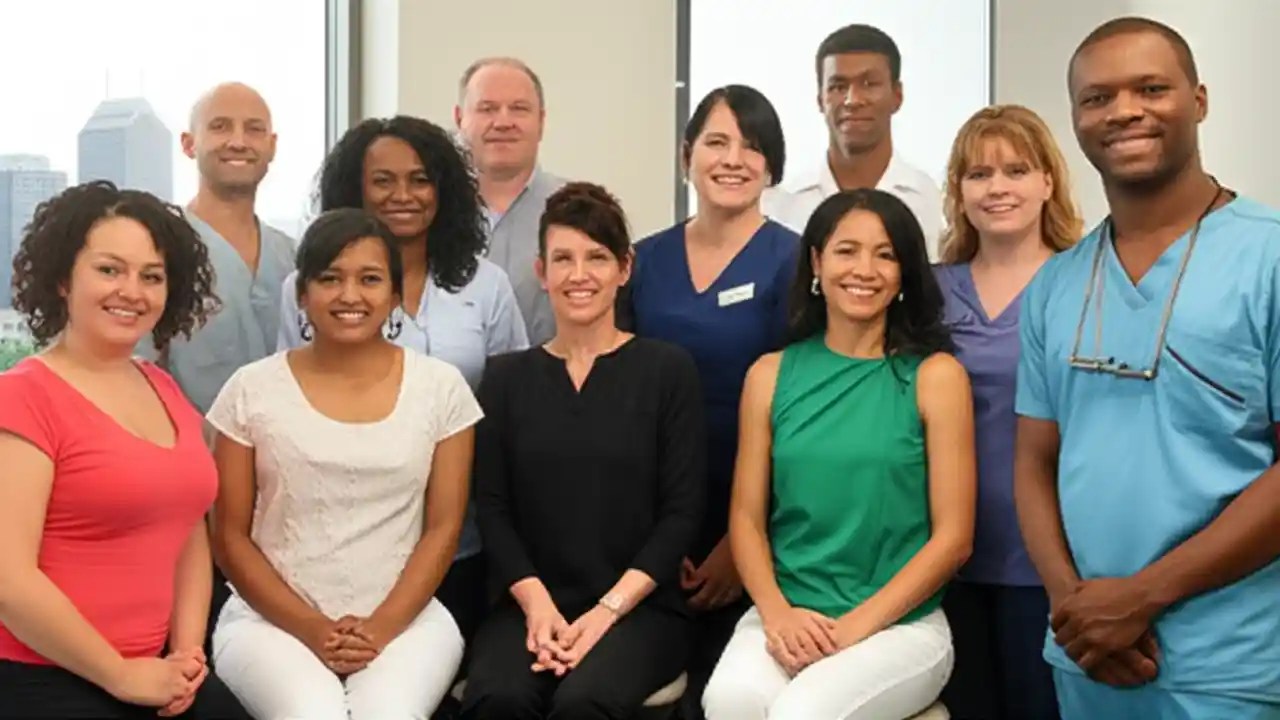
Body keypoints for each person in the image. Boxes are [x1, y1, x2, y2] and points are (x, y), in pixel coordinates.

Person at [1015, 17, 1280, 719]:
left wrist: (1141, 597)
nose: (1124, 110)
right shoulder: (1054, 285)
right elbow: (1034, 462)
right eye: (1097, 97)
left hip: (1228, 665)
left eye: (1151, 88)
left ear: (1198, 99)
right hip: (1086, 656)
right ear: (1075, 120)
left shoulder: (1269, 259)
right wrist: (1072, 607)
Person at [702, 189, 975, 719]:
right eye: (847, 250)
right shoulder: (770, 375)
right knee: (728, 703)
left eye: (886, 254)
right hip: (787, 612)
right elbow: (746, 518)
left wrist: (855, 628)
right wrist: (777, 615)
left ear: (904, 275)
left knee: (802, 715)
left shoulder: (936, 378)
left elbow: (953, 539)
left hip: (900, 624)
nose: (864, 269)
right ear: (816, 262)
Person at [210, 208, 482, 719]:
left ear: (396, 295)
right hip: (269, 620)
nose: (350, 295)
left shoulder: (442, 389)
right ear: (302, 294)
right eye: (330, 278)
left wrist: (380, 628)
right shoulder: (250, 390)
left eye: (370, 279)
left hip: (407, 619)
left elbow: (443, 530)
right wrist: (313, 628)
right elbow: (228, 536)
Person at [0, 181, 248, 719]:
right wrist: (121, 675)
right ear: (64, 278)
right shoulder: (21, 397)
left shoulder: (161, 386)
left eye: (151, 276)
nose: (132, 291)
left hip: (157, 669)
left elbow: (186, 531)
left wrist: (186, 653)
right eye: (109, 270)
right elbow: (9, 581)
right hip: (46, 674)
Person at [461, 183, 705, 719]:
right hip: (527, 603)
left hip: (641, 610)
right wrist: (538, 607)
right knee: (499, 698)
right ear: (540, 271)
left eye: (597, 258)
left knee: (582, 703)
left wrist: (606, 612)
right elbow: (494, 510)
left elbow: (681, 515)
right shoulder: (505, 380)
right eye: (563, 259)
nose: (579, 275)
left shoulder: (668, 372)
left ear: (624, 268)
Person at [280, 116, 528, 644]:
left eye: (420, 179)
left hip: (462, 537)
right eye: (382, 180)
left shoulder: (486, 286)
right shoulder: (305, 289)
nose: (403, 195)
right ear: (356, 189)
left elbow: (514, 409)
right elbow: (288, 413)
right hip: (341, 547)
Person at [621, 84, 798, 720]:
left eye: (752, 147)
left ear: (771, 165)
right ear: (686, 154)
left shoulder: (795, 261)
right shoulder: (641, 259)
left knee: (729, 694)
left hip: (753, 509)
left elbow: (798, 412)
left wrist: (740, 541)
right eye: (717, 142)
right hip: (652, 511)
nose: (733, 159)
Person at [933, 104, 1081, 720]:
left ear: (1048, 181)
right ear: (958, 193)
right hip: (945, 556)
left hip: (1050, 554)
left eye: (1017, 170)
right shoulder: (930, 289)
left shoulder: (1085, 279)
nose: (998, 188)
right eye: (978, 175)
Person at [154, 81, 295, 415]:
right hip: (187, 453)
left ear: (272, 146)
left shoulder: (295, 256)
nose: (238, 141)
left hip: (286, 455)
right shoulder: (159, 250)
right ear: (189, 144)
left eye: (254, 129)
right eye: (220, 127)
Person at [763, 24, 944, 259]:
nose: (852, 100)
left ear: (897, 96)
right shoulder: (783, 205)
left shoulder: (930, 203)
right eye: (838, 87)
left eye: (869, 84)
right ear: (820, 99)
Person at [456, 56, 568, 345]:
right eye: (487, 108)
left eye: (519, 109)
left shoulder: (577, 211)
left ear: (541, 122)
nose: (503, 122)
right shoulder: (429, 212)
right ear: (460, 119)